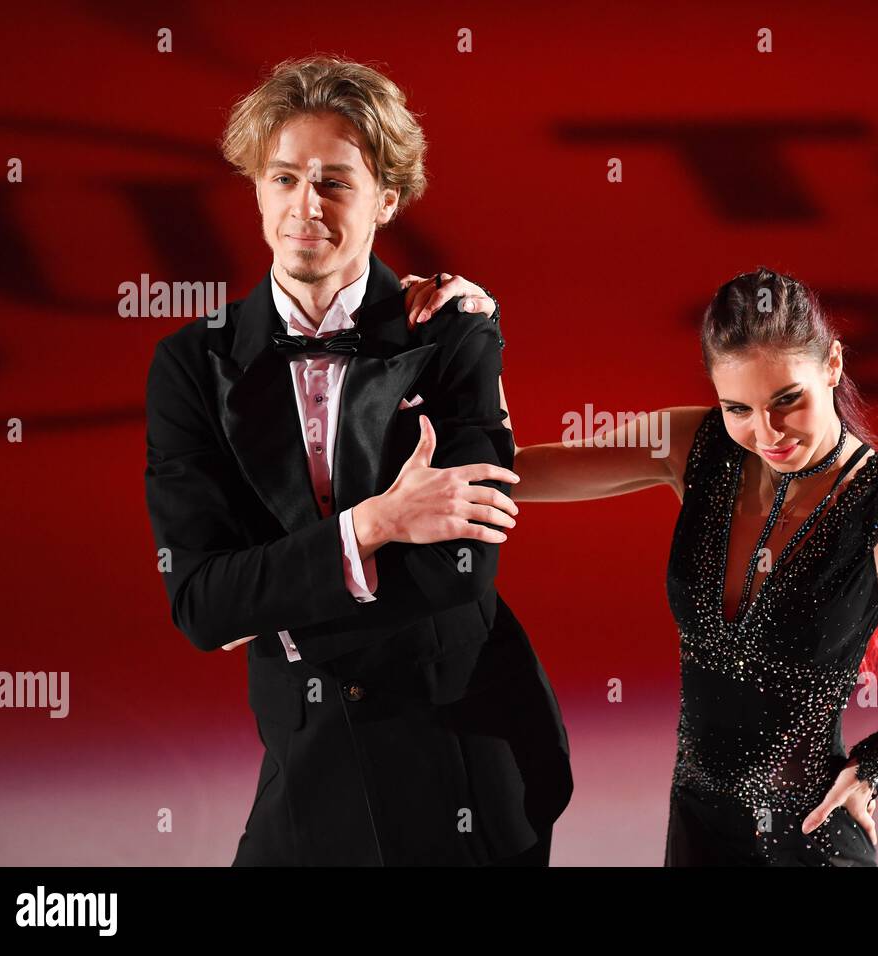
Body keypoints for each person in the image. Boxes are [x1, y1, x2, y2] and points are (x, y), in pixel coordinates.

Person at [418, 265, 878, 866]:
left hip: (810, 839)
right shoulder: (694, 448)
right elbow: (507, 474)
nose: (768, 433)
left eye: (787, 400)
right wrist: (478, 327)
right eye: (739, 408)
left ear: (833, 366)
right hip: (697, 832)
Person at [143, 55, 572, 866]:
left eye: (336, 181)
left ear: (388, 196)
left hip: (467, 755)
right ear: (257, 188)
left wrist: (267, 593)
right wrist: (376, 524)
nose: (306, 205)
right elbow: (200, 602)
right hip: (307, 753)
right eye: (284, 178)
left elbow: (461, 567)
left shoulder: (451, 328)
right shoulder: (189, 365)